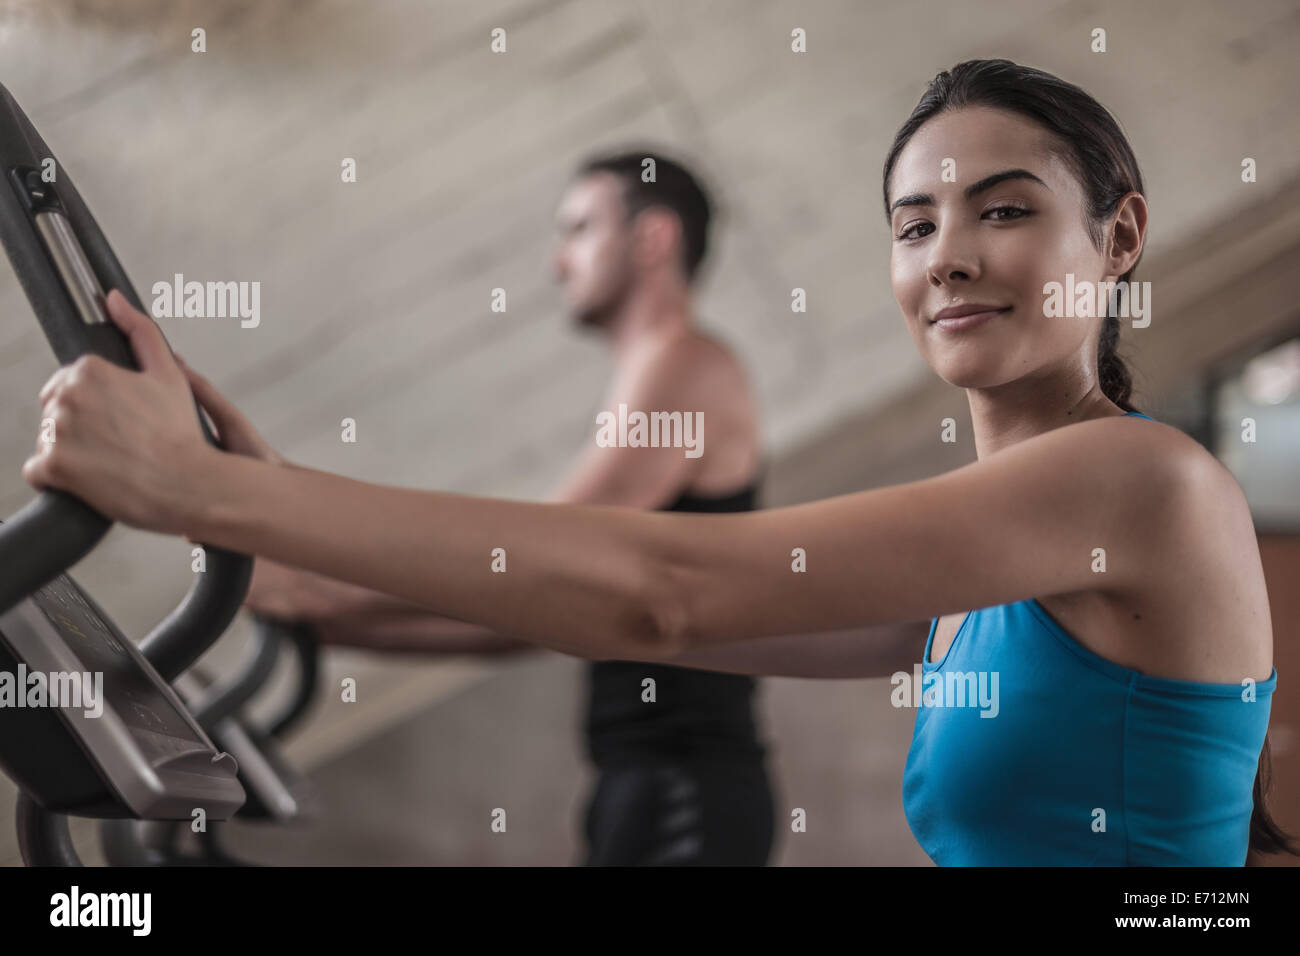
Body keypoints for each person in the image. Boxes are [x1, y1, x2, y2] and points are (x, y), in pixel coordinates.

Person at [26, 59, 1295, 865]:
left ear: (1119, 234)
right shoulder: (989, 560)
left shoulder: (1135, 482)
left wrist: (218, 493)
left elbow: (660, 587)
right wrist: (282, 518)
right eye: (915, 225)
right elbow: (641, 623)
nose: (947, 256)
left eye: (1003, 209)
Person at [238, 150, 778, 866]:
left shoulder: (689, 365)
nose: (558, 263)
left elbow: (534, 562)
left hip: (683, 791)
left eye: (580, 228)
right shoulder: (658, 375)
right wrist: (328, 622)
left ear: (654, 239)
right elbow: (525, 619)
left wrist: (313, 581)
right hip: (645, 784)